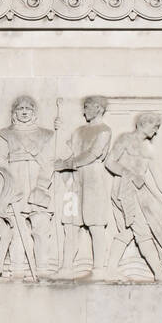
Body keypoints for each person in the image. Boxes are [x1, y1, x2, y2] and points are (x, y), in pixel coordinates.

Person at [0, 95, 55, 277]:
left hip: (38, 183)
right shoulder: (5, 134)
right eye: (20, 109)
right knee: (17, 229)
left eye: (28, 109)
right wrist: (9, 184)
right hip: (16, 183)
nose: (24, 112)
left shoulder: (46, 134)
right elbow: (0, 160)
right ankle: (17, 269)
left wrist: (42, 186)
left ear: (34, 112)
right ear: (14, 113)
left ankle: (42, 268)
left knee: (41, 227)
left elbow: (48, 163)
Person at [54, 96, 111, 278]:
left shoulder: (104, 131)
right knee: (70, 224)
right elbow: (68, 149)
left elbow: (92, 154)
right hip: (74, 180)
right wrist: (59, 132)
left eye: (87, 107)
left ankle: (99, 268)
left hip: (93, 180)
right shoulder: (78, 131)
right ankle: (66, 267)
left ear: (98, 108)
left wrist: (66, 164)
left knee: (95, 224)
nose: (84, 110)